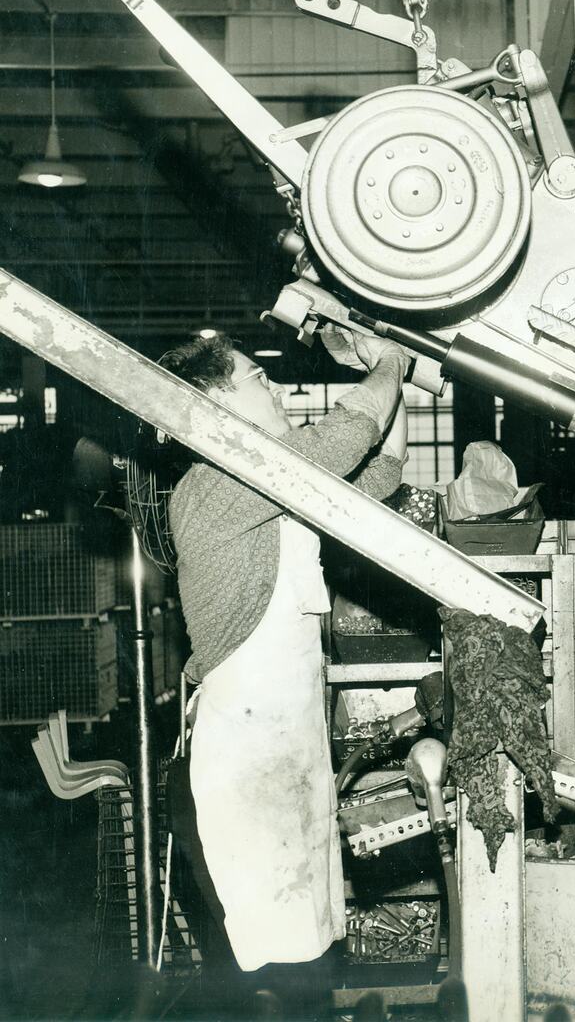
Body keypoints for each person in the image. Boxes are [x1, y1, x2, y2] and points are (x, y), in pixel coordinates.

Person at [158, 331, 410, 1016]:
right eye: (254, 379)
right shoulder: (218, 482)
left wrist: (403, 380)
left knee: (308, 963)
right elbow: (345, 437)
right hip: (243, 769)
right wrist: (386, 364)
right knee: (265, 984)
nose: (275, 389)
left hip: (289, 757)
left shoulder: (271, 486)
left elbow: (379, 475)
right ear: (212, 401)